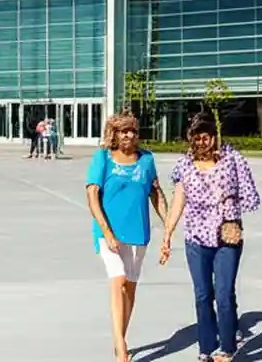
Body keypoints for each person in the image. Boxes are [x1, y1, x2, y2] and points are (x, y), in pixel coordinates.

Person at [160, 113, 261, 362]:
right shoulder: (185, 164)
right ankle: (206, 346)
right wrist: (167, 234)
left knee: (224, 293)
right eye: (197, 138)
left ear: (215, 137)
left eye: (207, 137)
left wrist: (231, 204)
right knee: (203, 294)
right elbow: (178, 200)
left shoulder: (232, 158)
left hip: (227, 236)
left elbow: (249, 193)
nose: (203, 142)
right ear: (191, 139)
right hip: (195, 236)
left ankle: (227, 347)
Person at [86, 112, 167, 362]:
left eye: (132, 130)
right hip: (109, 233)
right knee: (119, 280)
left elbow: (155, 193)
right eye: (123, 131)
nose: (129, 135)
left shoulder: (146, 159)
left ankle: (120, 336)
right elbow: (92, 196)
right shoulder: (103, 158)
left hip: (138, 233)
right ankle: (121, 348)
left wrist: (168, 228)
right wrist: (107, 233)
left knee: (130, 288)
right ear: (114, 133)